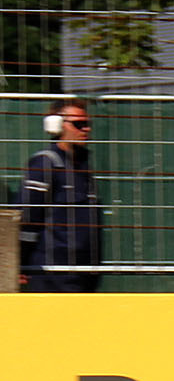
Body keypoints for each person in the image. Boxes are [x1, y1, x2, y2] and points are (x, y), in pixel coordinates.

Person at [19, 98, 102, 291]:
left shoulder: (82, 168)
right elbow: (26, 220)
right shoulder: (46, 164)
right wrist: (19, 263)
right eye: (78, 124)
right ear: (56, 125)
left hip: (82, 275)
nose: (86, 130)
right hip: (49, 275)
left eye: (87, 124)